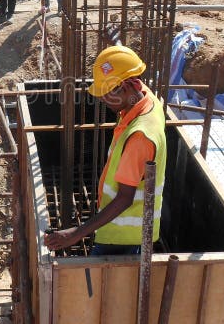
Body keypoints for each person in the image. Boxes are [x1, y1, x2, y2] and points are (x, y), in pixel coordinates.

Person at [44, 45, 166, 256]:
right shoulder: (144, 98)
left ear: (127, 86)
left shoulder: (140, 137)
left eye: (106, 93)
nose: (102, 99)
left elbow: (124, 198)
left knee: (102, 287)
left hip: (124, 236)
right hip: (124, 228)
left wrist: (75, 234)